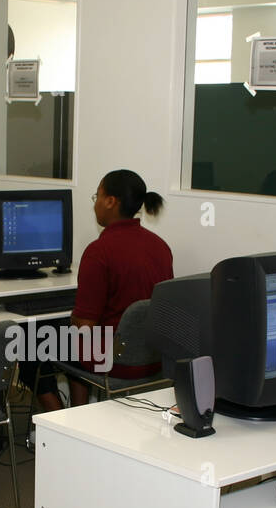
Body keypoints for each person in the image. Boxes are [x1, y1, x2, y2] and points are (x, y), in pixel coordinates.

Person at [23, 169, 174, 413]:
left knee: (27, 338)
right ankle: (80, 413)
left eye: (97, 197)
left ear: (111, 201)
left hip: (114, 359)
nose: (95, 206)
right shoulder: (160, 246)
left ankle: (63, 420)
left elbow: (84, 326)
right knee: (66, 335)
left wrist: (66, 319)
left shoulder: (99, 251)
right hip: (152, 358)